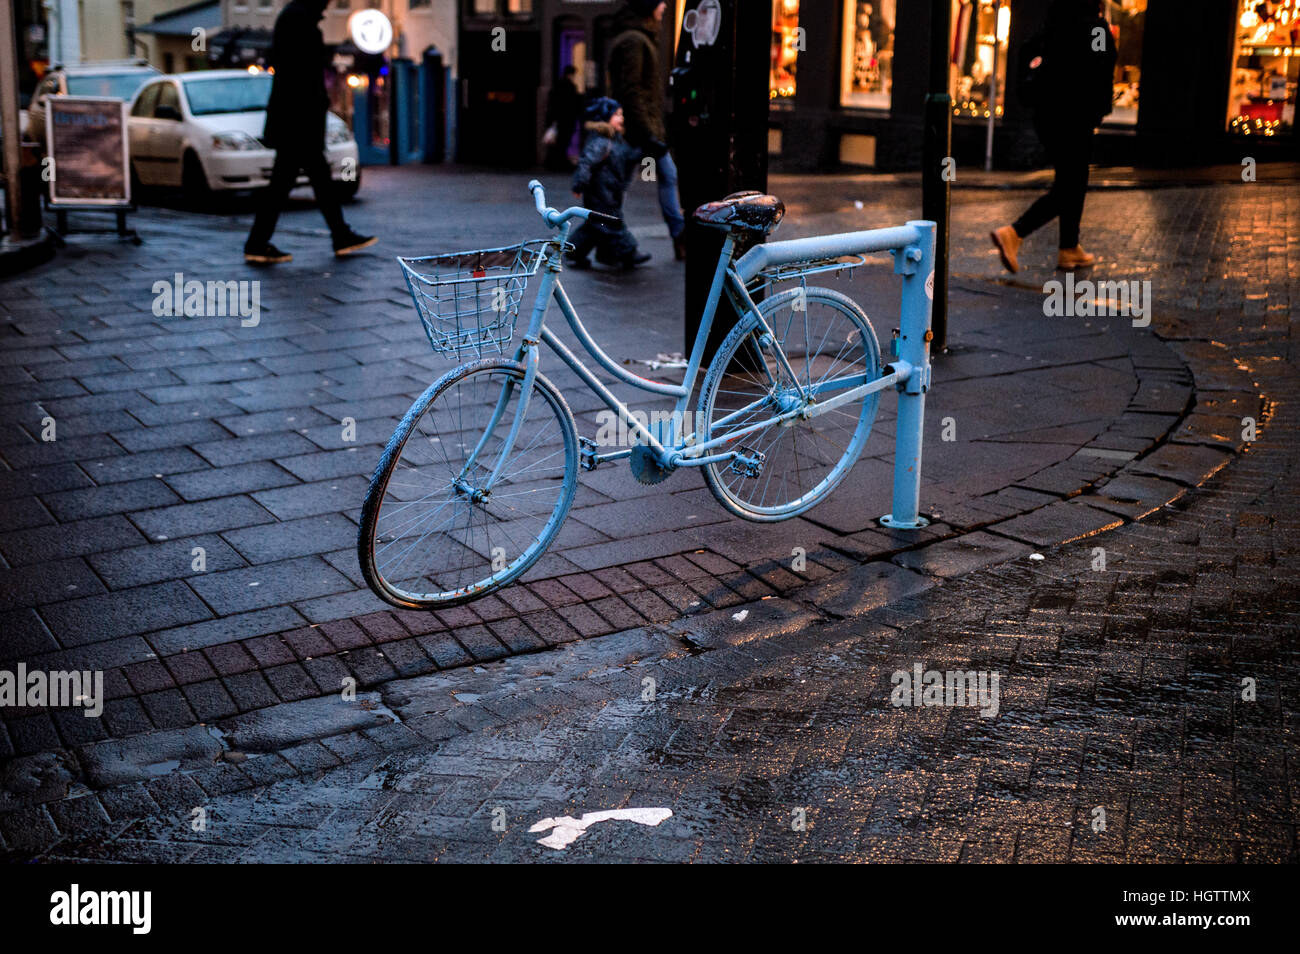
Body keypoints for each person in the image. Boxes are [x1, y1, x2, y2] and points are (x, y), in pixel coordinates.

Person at [244, 0, 374, 264]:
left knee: (300, 181)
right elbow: (304, 77)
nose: (325, 10)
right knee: (297, 182)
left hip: (295, 120)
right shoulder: (302, 24)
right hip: (299, 121)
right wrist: (317, 107)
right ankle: (260, 242)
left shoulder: (293, 19)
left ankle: (337, 235)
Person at [991, 0, 1116, 273]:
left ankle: (1069, 248)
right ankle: (1014, 233)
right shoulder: (1094, 29)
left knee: (1071, 179)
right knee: (1071, 184)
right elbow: (1099, 69)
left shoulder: (1054, 26)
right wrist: (1099, 109)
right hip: (1075, 117)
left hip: (1047, 117)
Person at [607, 0, 686, 261]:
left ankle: (609, 243)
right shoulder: (634, 40)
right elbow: (632, 93)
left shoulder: (639, 37)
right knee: (616, 188)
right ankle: (678, 237)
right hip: (639, 131)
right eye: (660, 3)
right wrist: (647, 133)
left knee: (617, 188)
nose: (664, 7)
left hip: (642, 129)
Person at [567, 97, 651, 271]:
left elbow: (626, 156)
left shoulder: (615, 140)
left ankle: (574, 251)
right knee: (612, 223)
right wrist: (579, 184)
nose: (621, 118)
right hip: (600, 193)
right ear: (605, 117)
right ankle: (629, 252)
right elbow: (586, 162)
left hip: (609, 192)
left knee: (594, 226)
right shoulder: (601, 141)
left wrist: (643, 150)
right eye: (617, 114)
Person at [543, 66, 582, 171]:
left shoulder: (558, 85)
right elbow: (573, 103)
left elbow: (552, 102)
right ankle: (559, 162)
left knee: (557, 142)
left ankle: (554, 162)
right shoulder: (570, 86)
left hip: (558, 119)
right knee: (563, 141)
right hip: (566, 119)